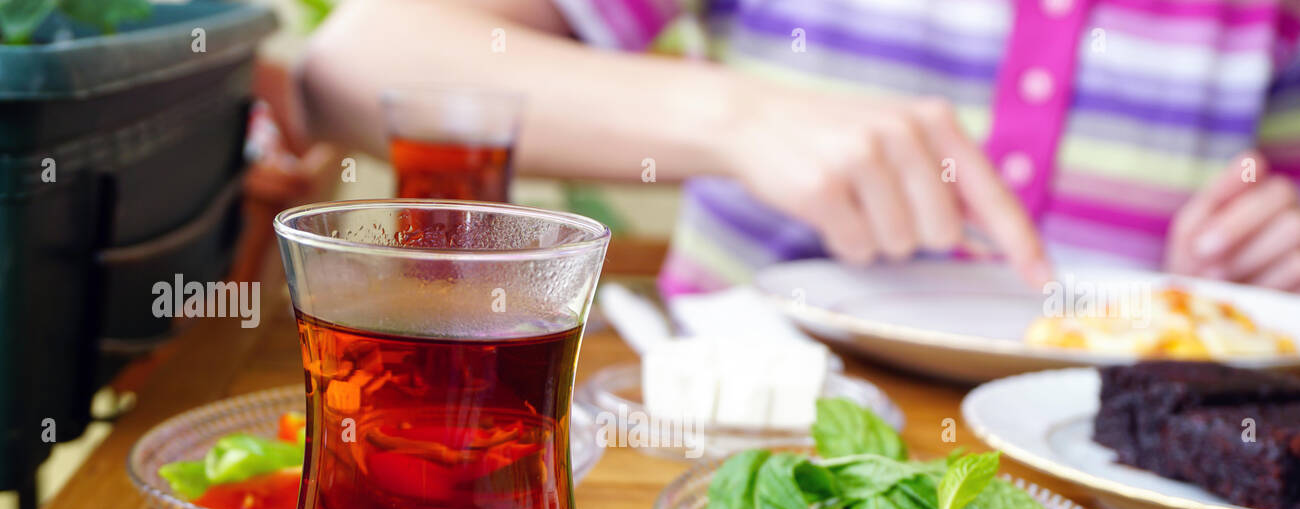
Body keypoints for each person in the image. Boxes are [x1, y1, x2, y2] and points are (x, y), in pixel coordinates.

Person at [281, 0, 1300, 296]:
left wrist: (1257, 259)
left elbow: (1275, 196)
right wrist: (738, 119)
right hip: (729, 470)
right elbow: (357, 65)